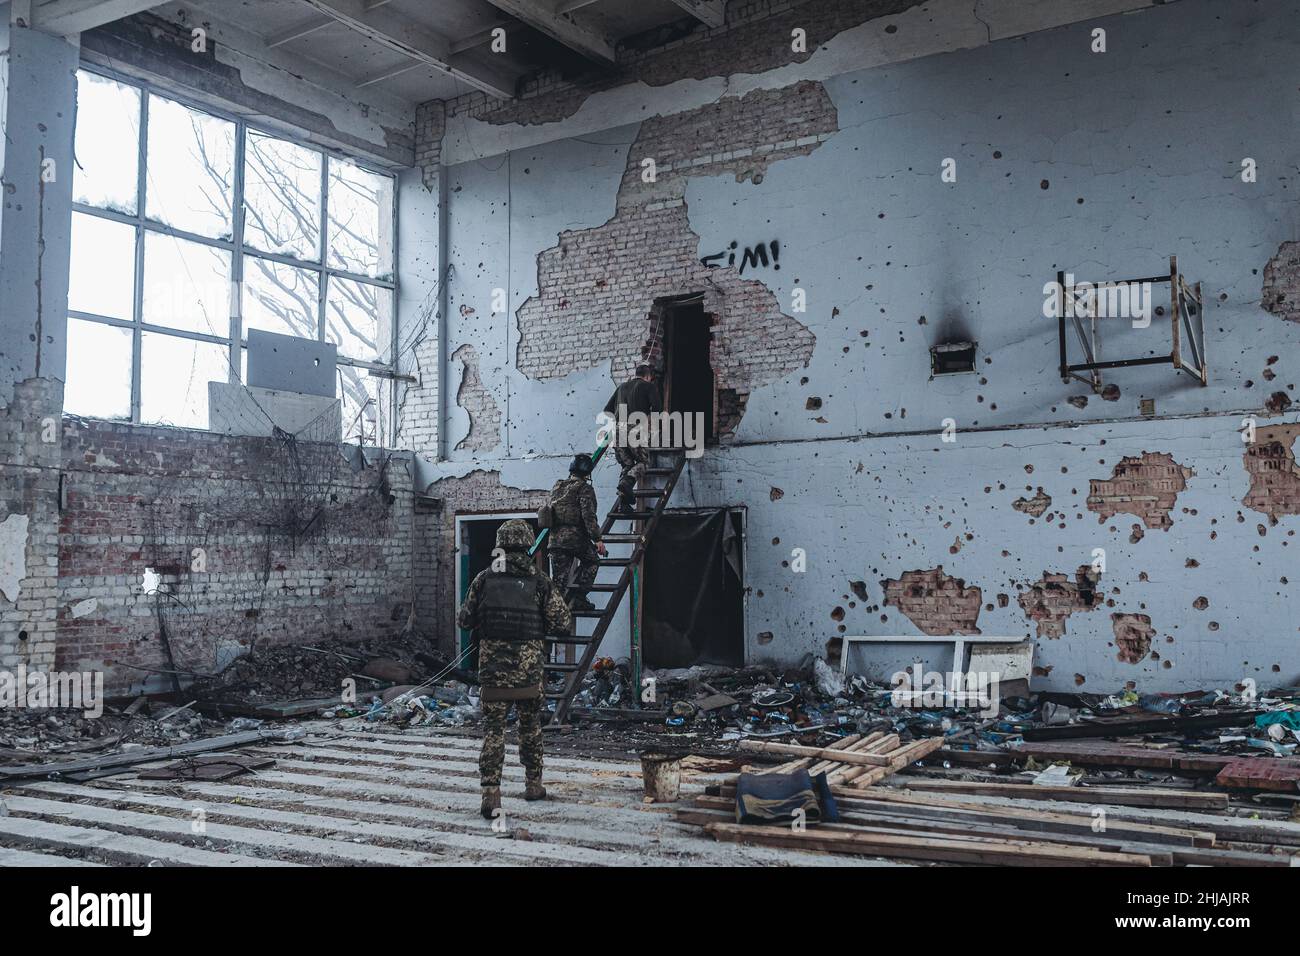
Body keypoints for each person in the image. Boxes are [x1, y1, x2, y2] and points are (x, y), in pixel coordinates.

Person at [456, 519, 572, 819]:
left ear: (501, 545)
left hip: (493, 672)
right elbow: (563, 624)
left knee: (493, 731)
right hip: (529, 673)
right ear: (527, 544)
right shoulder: (541, 582)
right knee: (530, 725)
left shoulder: (483, 579)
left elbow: (464, 620)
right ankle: (533, 784)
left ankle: (491, 793)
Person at [547, 453, 607, 611]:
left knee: (558, 581)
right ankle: (579, 598)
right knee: (592, 561)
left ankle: (553, 618)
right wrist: (598, 539)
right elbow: (588, 516)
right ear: (588, 472)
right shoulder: (585, 488)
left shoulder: (557, 486)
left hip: (554, 540)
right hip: (575, 539)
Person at [604, 363, 662, 511]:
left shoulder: (622, 387)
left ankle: (623, 504)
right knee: (643, 463)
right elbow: (657, 409)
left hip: (617, 431)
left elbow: (607, 410)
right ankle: (628, 483)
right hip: (635, 430)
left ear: (636, 373)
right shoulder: (648, 386)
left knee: (627, 465)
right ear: (648, 376)